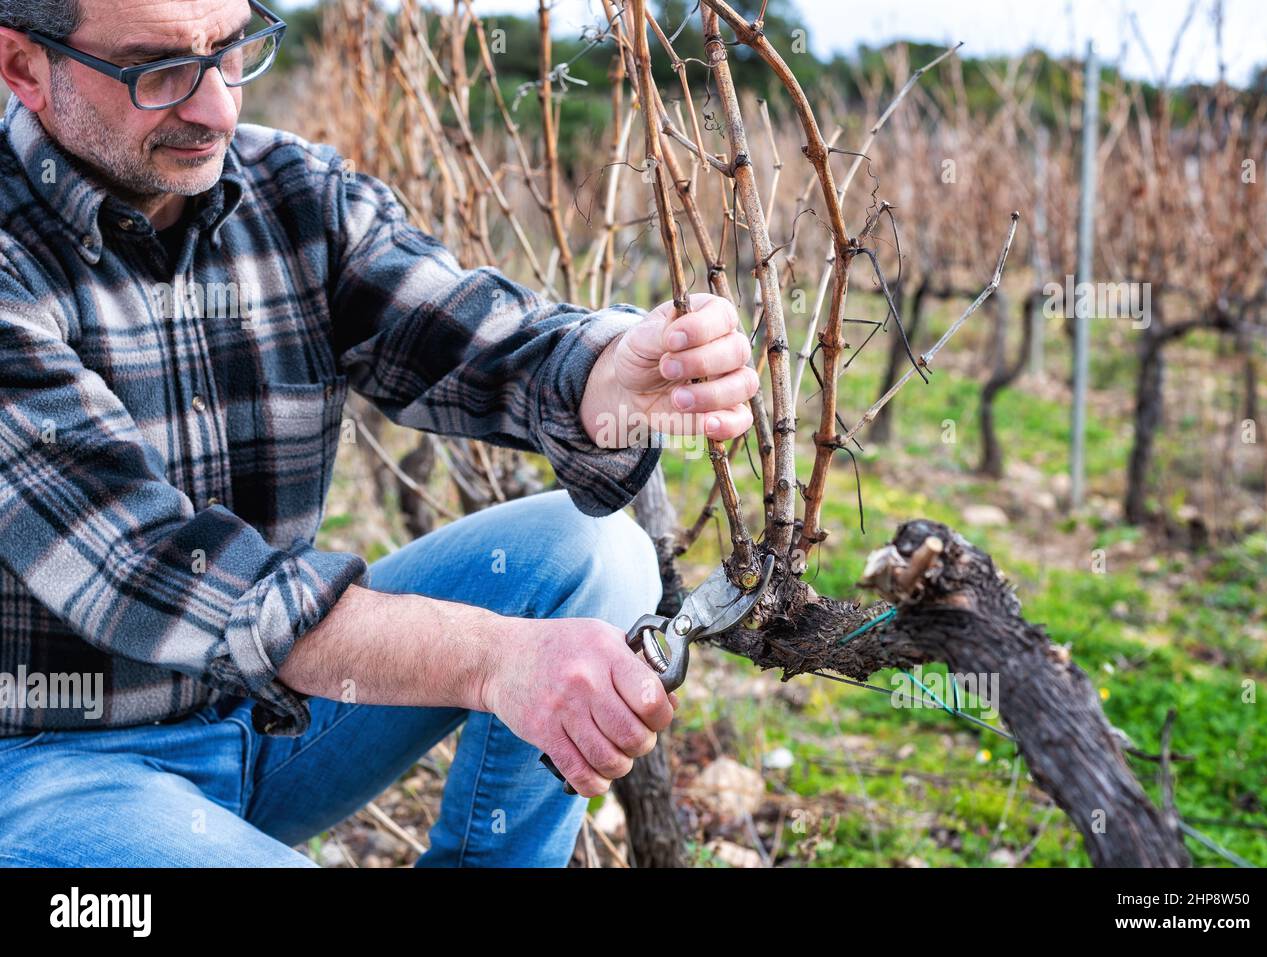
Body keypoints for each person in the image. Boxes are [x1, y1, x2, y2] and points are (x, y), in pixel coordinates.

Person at [0, 0, 759, 867]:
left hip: (266, 719)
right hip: (49, 772)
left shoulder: (291, 191)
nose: (216, 107)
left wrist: (607, 371)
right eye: (159, 71)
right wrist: (494, 659)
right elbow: (154, 569)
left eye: (231, 48)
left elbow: (462, 328)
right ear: (25, 67)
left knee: (593, 557)